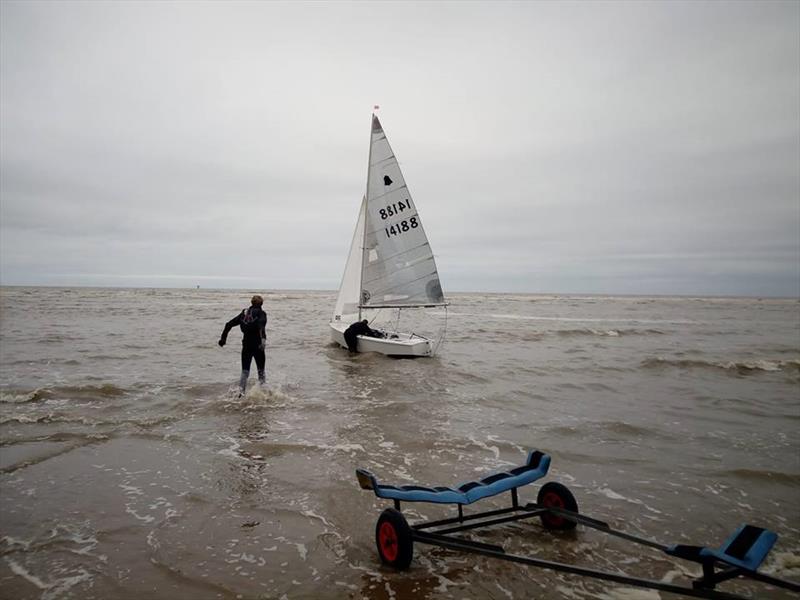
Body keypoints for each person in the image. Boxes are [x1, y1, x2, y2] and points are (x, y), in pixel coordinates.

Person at [218, 295, 267, 394]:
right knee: (261, 371)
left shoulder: (244, 313)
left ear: (251, 303)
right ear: (261, 304)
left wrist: (223, 339)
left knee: (245, 372)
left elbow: (228, 324)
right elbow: (261, 327)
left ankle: (241, 394)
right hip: (258, 346)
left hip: (246, 346)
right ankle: (262, 394)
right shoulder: (261, 313)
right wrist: (263, 342)